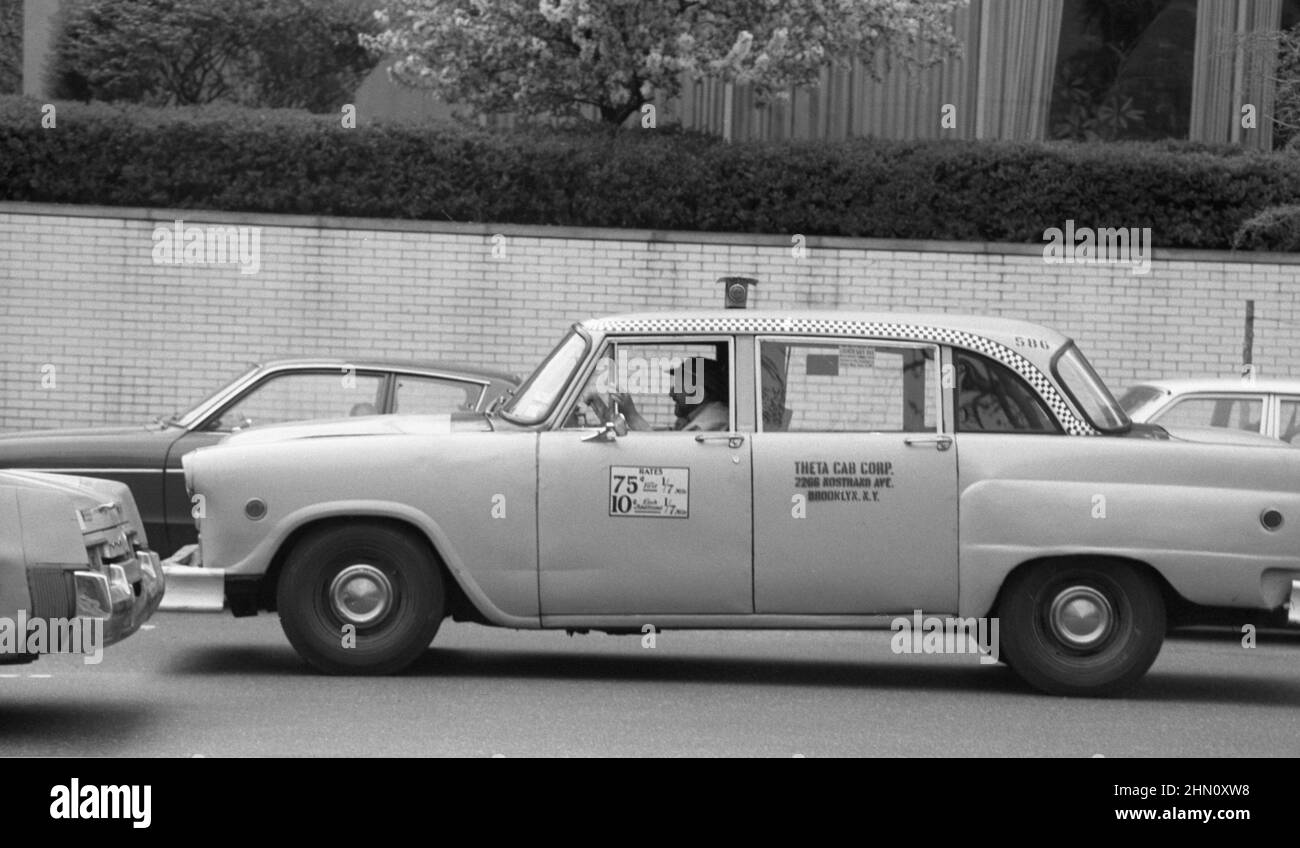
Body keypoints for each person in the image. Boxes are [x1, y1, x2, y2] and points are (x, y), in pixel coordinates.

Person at [608, 356, 730, 432]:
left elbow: (665, 455)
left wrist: (631, 414)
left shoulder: (714, 419)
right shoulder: (695, 418)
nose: (671, 393)